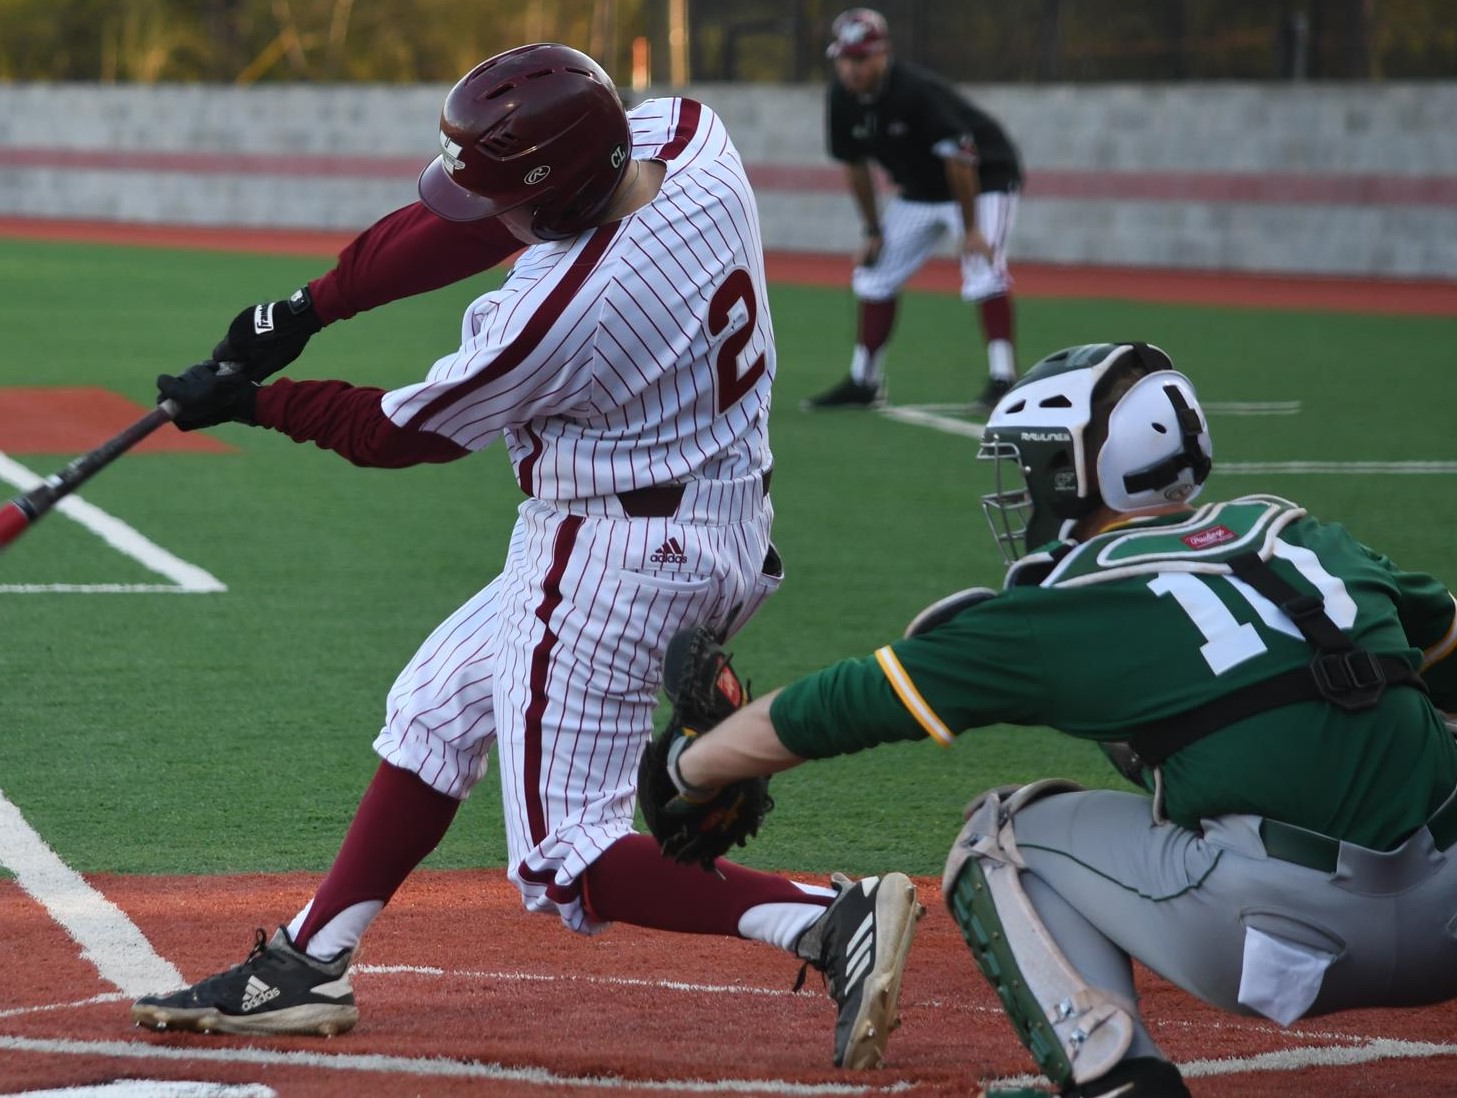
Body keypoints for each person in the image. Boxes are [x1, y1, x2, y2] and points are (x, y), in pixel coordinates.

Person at [128, 42, 920, 1070]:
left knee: (564, 858)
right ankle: (308, 962)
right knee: (435, 708)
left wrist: (251, 402)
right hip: (718, 519)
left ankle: (823, 917)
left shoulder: (563, 314)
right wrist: (311, 308)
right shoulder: (689, 142)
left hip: (608, 556)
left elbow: (399, 430)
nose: (486, 220)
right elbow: (465, 226)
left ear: (554, 207)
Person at [645, 341, 1457, 1097]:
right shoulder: (1302, 536)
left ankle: (1112, 1072)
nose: (1026, 486)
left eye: (1036, 463)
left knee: (1000, 837)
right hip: (1447, 918)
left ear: (1082, 472)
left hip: (1283, 943)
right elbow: (1443, 647)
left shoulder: (1078, 598)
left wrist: (695, 767)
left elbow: (856, 702)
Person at [804, 7, 1026, 412]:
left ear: (882, 53)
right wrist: (872, 231)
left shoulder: (915, 91)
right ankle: (864, 381)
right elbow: (855, 168)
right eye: (845, 59)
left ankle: (1003, 380)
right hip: (922, 189)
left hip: (984, 177)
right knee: (874, 272)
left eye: (861, 58)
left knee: (982, 268)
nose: (852, 69)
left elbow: (960, 158)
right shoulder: (840, 98)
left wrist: (972, 229)